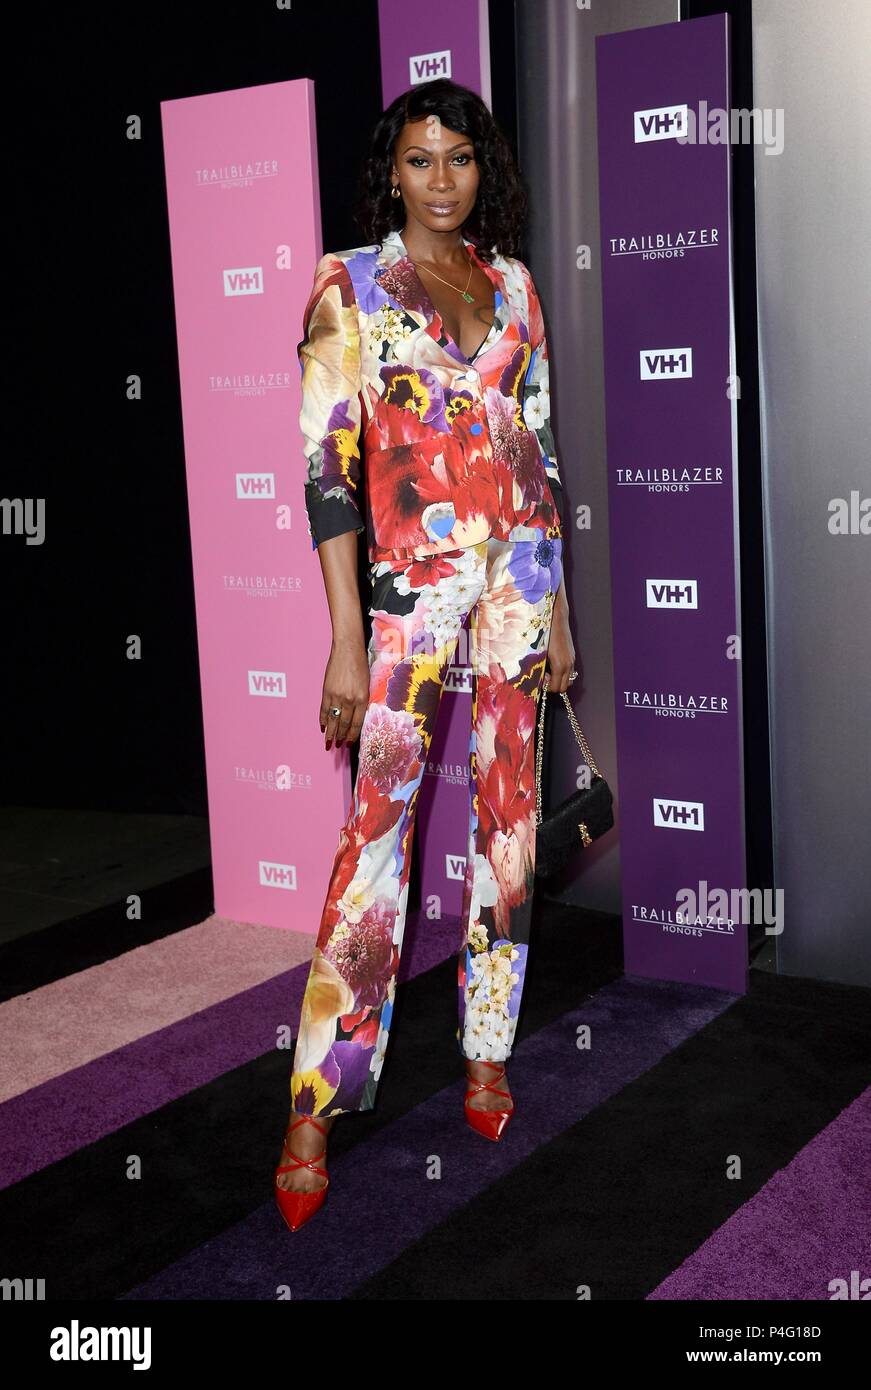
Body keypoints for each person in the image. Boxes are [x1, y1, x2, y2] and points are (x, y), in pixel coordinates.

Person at [275, 77, 576, 1232]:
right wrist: (346, 634)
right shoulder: (346, 284)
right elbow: (323, 468)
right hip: (405, 594)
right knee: (377, 835)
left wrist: (557, 612)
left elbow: (535, 443)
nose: (440, 180)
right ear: (388, 171)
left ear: (480, 168)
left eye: (458, 159)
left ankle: (486, 1051)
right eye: (418, 160)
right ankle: (319, 1096)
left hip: (519, 580)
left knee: (506, 824)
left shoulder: (514, 286)